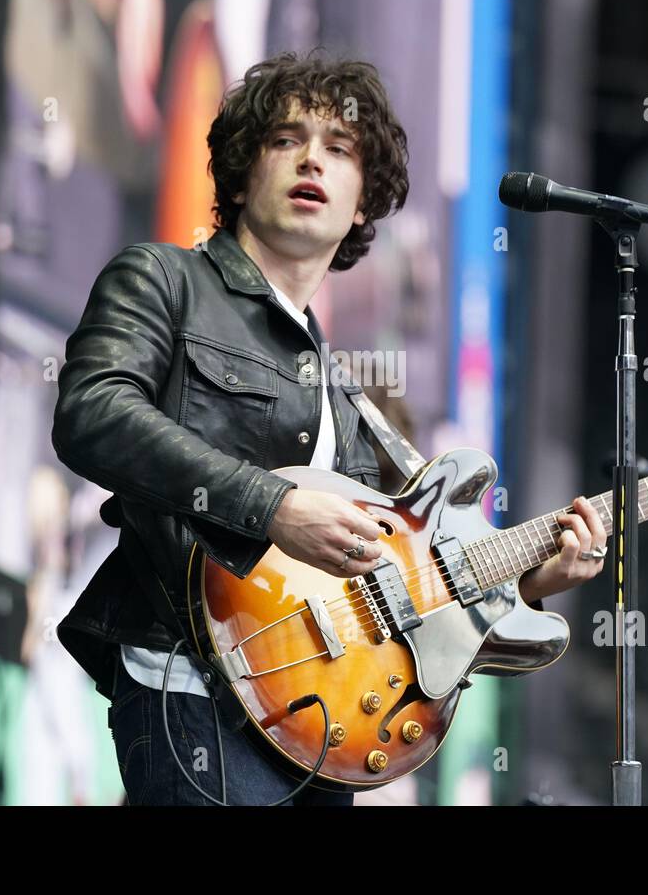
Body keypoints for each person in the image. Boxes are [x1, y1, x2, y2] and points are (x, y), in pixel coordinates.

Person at [51, 50, 607, 806]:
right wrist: (273, 507)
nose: (314, 157)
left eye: (341, 150)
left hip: (321, 731)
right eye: (287, 140)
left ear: (362, 207)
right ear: (243, 176)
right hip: (195, 686)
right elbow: (91, 414)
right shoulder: (161, 279)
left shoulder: (346, 399)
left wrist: (528, 581)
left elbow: (398, 588)